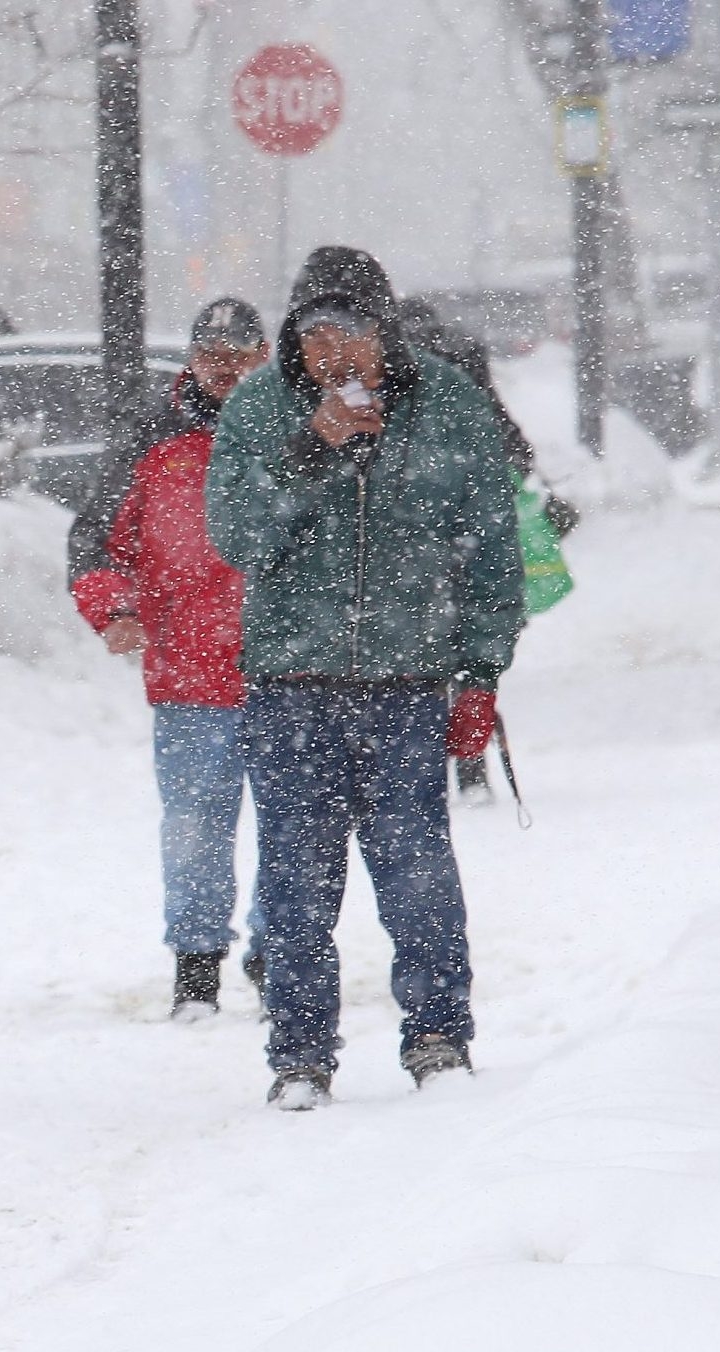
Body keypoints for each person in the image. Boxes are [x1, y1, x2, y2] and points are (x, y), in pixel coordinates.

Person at [205, 246, 526, 1111]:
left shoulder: (451, 409)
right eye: (317, 335)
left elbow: (494, 553)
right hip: (290, 682)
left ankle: (437, 1035)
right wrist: (311, 451)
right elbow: (238, 539)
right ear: (293, 342)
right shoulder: (257, 411)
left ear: (388, 335)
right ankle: (301, 1053)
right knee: (296, 875)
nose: (336, 352)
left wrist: (481, 673)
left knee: (416, 866)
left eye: (354, 331)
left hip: (407, 680)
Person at [68, 296, 275, 1020]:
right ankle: (196, 968)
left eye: (239, 356)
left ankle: (278, 951)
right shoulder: (150, 437)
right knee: (195, 826)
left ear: (264, 355)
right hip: (191, 672)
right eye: (212, 356)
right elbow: (96, 541)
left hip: (290, 670)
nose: (224, 370)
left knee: (293, 828)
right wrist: (115, 610)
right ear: (191, 358)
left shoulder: (298, 429)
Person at [397, 294, 578, 804]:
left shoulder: (392, 374)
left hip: (419, 542)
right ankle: (471, 766)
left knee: (424, 659)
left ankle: (427, 765)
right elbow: (506, 436)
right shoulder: (461, 368)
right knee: (469, 653)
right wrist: (525, 486)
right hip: (470, 534)